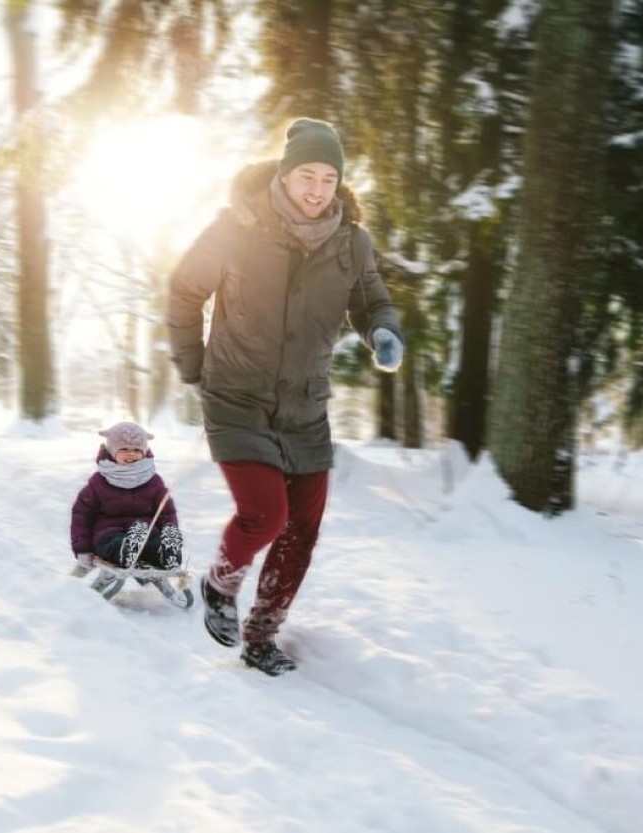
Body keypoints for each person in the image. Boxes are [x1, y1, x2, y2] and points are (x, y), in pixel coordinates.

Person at [166, 117, 405, 676]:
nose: (317, 188)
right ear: (285, 173)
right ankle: (221, 583)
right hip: (235, 397)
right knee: (264, 515)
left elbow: (370, 302)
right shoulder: (236, 228)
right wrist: (192, 363)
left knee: (303, 529)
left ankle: (262, 635)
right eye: (307, 175)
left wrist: (384, 331)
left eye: (328, 177)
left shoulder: (352, 242)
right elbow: (185, 290)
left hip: (304, 407)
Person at [70, 421, 183, 574]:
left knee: (153, 543)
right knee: (113, 544)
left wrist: (168, 530)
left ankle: (168, 553)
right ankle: (127, 551)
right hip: (108, 532)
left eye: (137, 449)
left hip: (145, 531)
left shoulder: (153, 481)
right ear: (111, 451)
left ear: (144, 451)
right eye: (124, 449)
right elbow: (82, 516)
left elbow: (166, 512)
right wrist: (83, 549)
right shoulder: (99, 481)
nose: (131, 453)